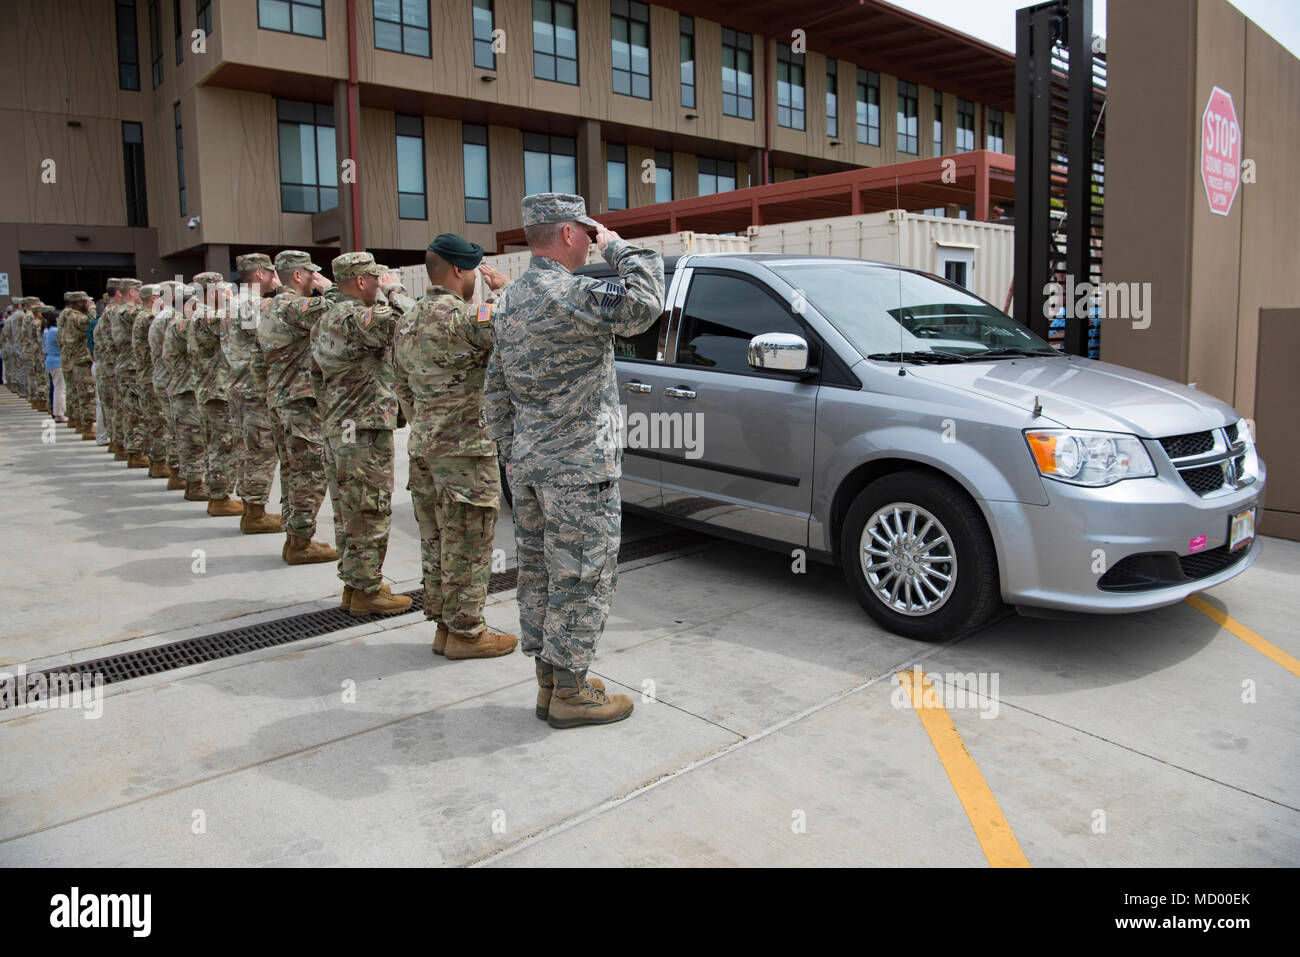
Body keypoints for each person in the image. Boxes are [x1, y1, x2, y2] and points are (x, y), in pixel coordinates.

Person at [485, 193, 665, 729]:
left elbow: (494, 389)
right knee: (583, 575)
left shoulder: (512, 298)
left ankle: (550, 682)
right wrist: (622, 249)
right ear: (567, 234)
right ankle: (570, 692)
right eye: (587, 231)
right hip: (580, 470)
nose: (593, 238)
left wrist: (510, 457)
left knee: (540, 572)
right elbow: (646, 304)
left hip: (530, 467)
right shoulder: (573, 292)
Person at [394, 234, 518, 660]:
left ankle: (445, 627)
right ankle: (467, 633)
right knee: (468, 539)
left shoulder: (406, 320)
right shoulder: (464, 318)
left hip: (423, 449)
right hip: (464, 452)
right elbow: (517, 321)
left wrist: (428, 426)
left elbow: (402, 391)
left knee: (436, 539)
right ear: (462, 271)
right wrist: (504, 288)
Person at [310, 252, 413, 617]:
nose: (377, 284)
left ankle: (356, 586)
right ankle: (367, 591)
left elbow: (316, 376)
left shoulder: (324, 318)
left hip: (339, 427)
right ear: (360, 281)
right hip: (363, 430)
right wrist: (396, 289)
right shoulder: (357, 317)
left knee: (348, 511)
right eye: (374, 278)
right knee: (369, 510)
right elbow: (409, 321)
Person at [258, 251, 339, 564]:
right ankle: (301, 542)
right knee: (309, 473)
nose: (313, 279)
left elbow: (256, 359)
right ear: (297, 275)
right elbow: (338, 309)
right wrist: (329, 286)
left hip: (280, 399)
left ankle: (295, 535)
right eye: (310, 274)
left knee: (292, 470)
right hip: (299, 403)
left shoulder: (268, 307)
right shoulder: (292, 305)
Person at [224, 254, 283, 533]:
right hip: (254, 390)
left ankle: (251, 507)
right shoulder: (251, 305)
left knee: (247, 450)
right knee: (260, 451)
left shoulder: (234, 303)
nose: (276, 277)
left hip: (240, 386)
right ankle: (255, 514)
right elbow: (271, 338)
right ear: (260, 274)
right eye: (272, 272)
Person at [188, 272, 243, 516]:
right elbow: (238, 319)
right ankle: (220, 497)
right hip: (215, 390)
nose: (227, 293)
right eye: (223, 290)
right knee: (222, 444)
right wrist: (237, 301)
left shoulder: (201, 314)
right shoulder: (207, 315)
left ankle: (217, 494)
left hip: (212, 388)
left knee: (217, 443)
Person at [42, 309, 66, 422]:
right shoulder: (55, 331)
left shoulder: (49, 330)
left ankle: (57, 412)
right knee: (60, 389)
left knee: (57, 387)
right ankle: (59, 413)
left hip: (52, 361)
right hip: (57, 361)